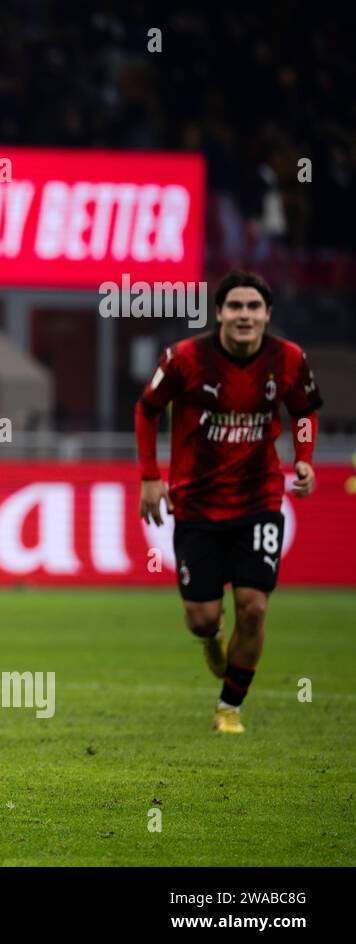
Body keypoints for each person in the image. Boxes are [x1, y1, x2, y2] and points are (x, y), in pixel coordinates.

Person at [136, 270, 323, 733]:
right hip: (196, 503)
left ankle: (229, 708)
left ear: (267, 314)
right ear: (220, 312)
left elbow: (304, 410)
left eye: (254, 307)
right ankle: (211, 637)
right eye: (235, 307)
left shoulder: (289, 359)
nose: (245, 315)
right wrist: (149, 478)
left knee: (254, 606)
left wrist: (304, 460)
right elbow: (147, 409)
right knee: (202, 618)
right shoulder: (184, 358)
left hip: (260, 497)